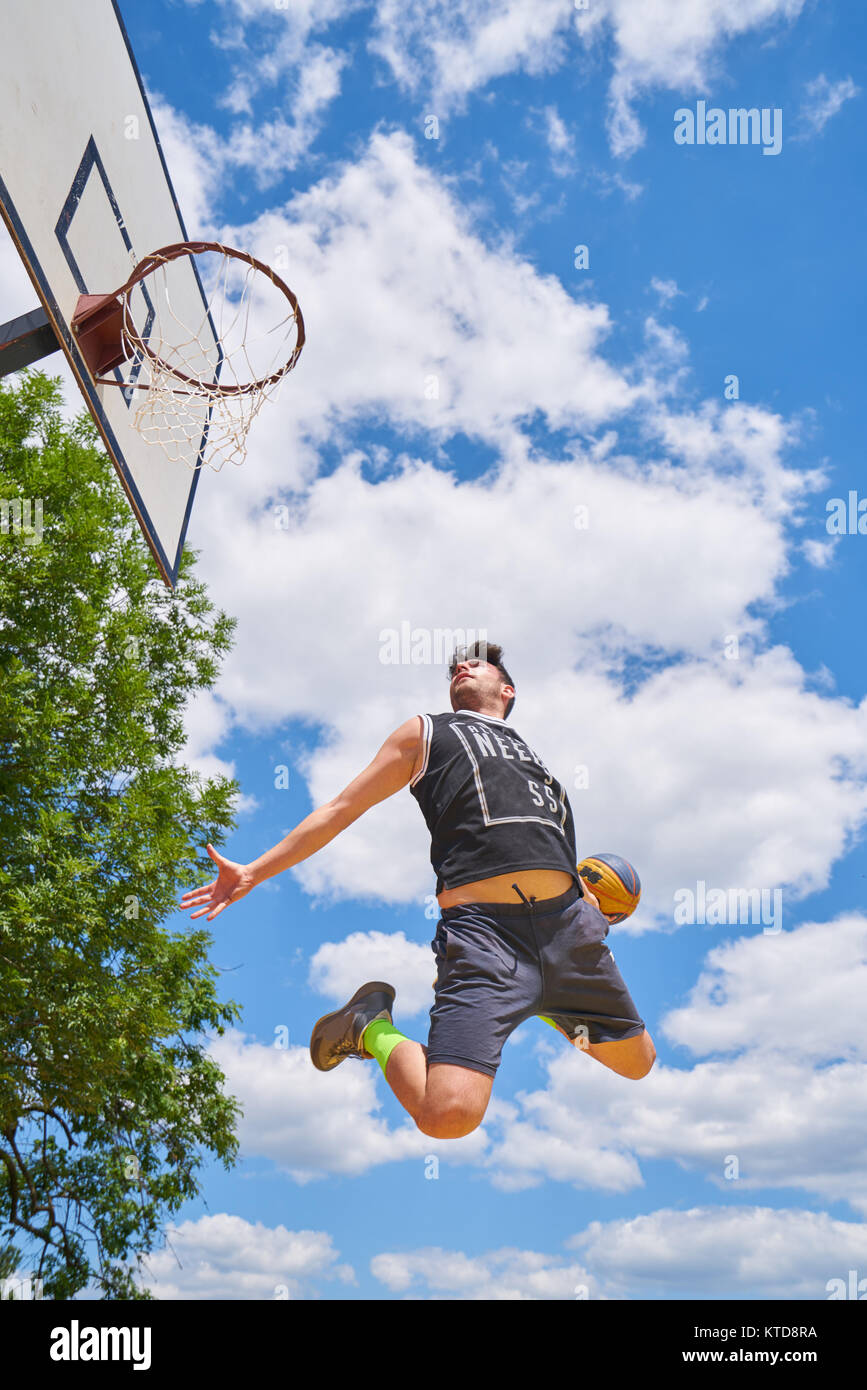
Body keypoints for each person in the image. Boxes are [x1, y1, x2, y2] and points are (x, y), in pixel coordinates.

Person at [180, 642, 655, 1140]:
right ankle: (370, 1027)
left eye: (478, 663)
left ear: (507, 689)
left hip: (566, 933)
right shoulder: (428, 733)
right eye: (455, 667)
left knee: (638, 1062)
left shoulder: (546, 777)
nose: (462, 667)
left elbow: (562, 865)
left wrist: (590, 909)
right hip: (487, 940)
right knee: (445, 1117)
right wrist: (255, 871)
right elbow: (340, 809)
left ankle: (545, 1003)